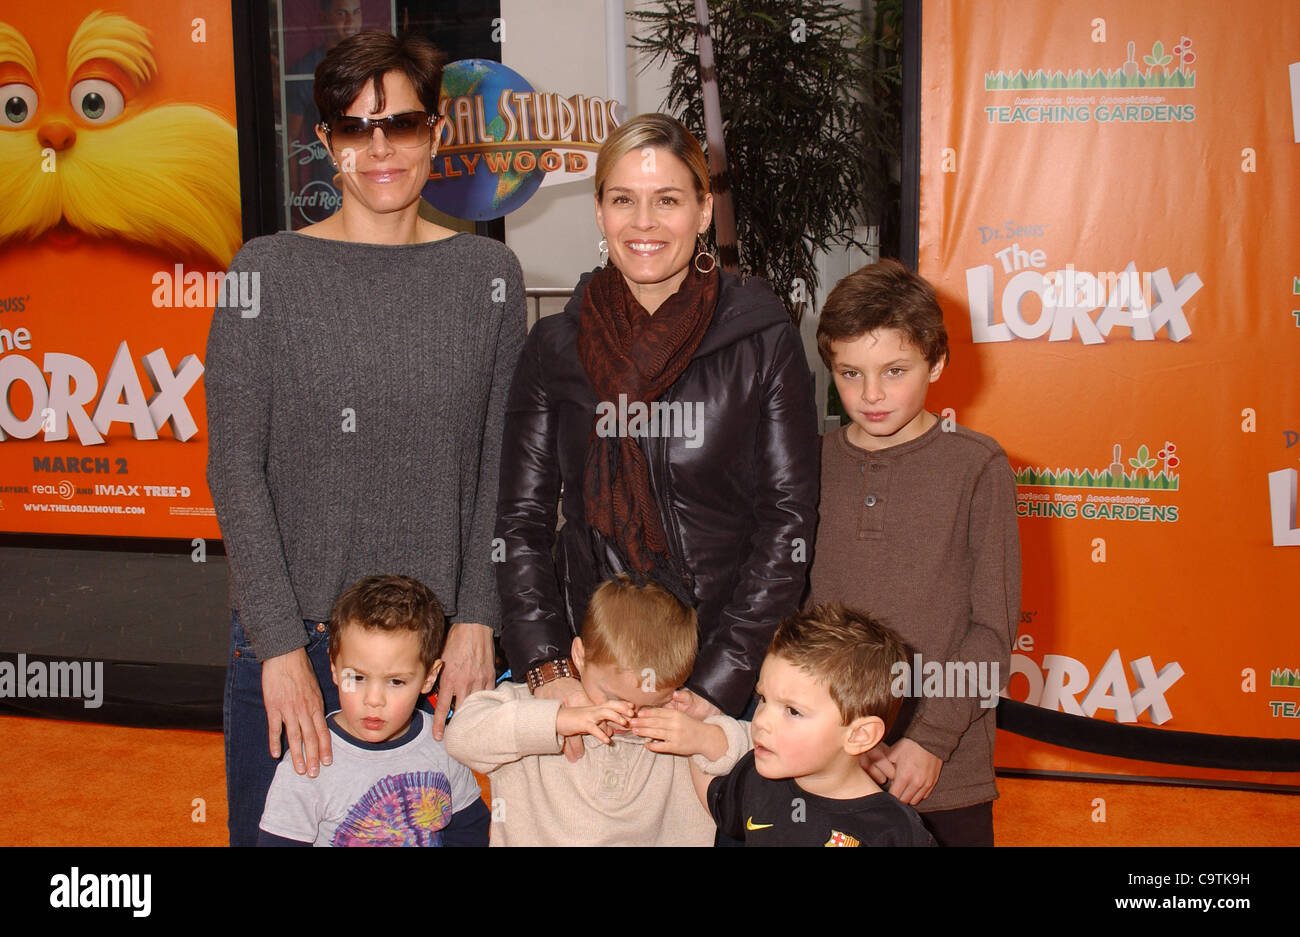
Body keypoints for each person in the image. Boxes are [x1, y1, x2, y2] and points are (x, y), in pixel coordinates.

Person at [206, 30, 525, 846]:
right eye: (355, 128)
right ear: (326, 141)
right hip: (298, 638)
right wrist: (277, 644)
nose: (381, 148)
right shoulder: (264, 272)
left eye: (404, 125)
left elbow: (502, 460)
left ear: (436, 136)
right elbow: (234, 464)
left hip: (431, 651)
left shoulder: (485, 278)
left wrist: (478, 618)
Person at [496, 114, 819, 755]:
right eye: (623, 200)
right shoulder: (556, 346)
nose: (643, 223)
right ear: (599, 212)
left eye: (667, 200)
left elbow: (786, 526)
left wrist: (716, 684)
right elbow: (521, 522)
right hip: (595, 679)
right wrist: (552, 665)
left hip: (723, 677)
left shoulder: (762, 338)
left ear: (703, 211)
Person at [809, 259, 1020, 846]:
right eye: (850, 373)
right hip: (828, 759)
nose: (871, 395)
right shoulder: (808, 463)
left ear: (938, 361)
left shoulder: (978, 466)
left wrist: (930, 739)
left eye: (895, 370)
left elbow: (992, 632)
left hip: (941, 773)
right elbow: (792, 619)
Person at [445, 575, 749, 845]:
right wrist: (555, 721)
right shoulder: (541, 706)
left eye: (651, 704)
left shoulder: (680, 723)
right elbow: (460, 736)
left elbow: (767, 750)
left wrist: (706, 738)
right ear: (579, 656)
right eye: (613, 696)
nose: (628, 717)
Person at [644, 603, 934, 847]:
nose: (761, 721)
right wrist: (696, 730)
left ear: (859, 735)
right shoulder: (758, 777)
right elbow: (720, 803)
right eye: (763, 699)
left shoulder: (894, 833)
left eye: (793, 711)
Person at [258, 575, 489, 846]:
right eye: (357, 678)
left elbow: (469, 831)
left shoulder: (443, 745)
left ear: (430, 677)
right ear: (333, 667)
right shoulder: (308, 764)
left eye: (396, 681)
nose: (374, 699)